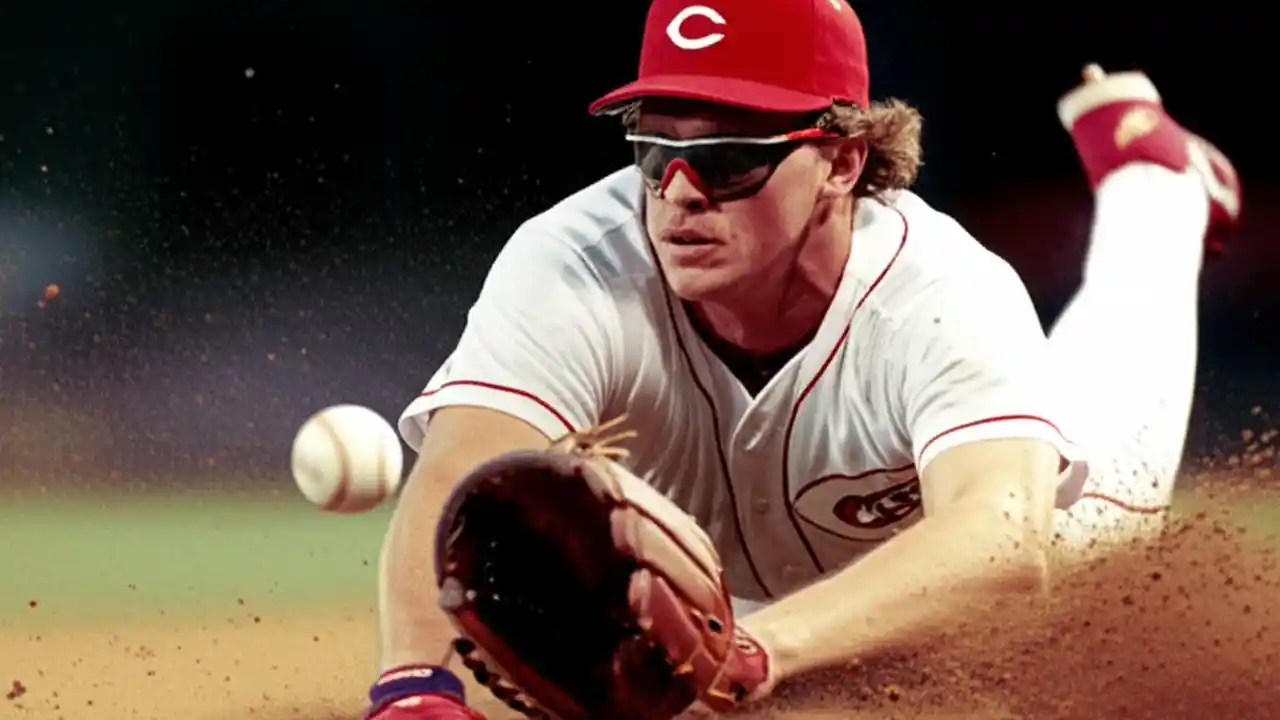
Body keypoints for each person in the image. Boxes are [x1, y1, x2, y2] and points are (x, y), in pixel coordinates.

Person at [363, 1, 1241, 718]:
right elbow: (459, 473)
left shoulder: (940, 290)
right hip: (729, 620)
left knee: (1109, 457)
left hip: (948, 594)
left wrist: (761, 650)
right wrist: (414, 686)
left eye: (728, 159)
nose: (678, 193)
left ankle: (1155, 185)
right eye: (656, 149)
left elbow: (1003, 542)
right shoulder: (577, 261)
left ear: (843, 161)